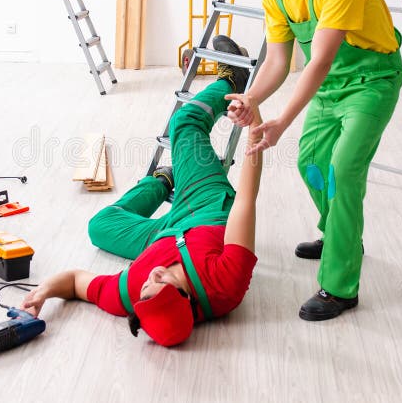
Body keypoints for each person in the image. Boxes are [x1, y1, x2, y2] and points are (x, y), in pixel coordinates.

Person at [225, 0, 402, 321]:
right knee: (311, 163)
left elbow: (320, 58)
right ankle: (340, 233)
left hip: (371, 83)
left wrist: (281, 121)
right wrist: (251, 98)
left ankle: (340, 287)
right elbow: (277, 62)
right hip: (327, 90)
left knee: (343, 170)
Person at [21, 38, 265, 346]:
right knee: (184, 122)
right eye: (159, 283)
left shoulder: (134, 290)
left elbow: (75, 282)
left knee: (99, 226)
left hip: (163, 235)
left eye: (146, 288)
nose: (153, 276)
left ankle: (162, 180)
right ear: (187, 300)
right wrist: (255, 127)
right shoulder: (226, 284)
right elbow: (246, 201)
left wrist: (43, 291)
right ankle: (231, 80)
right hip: (206, 207)